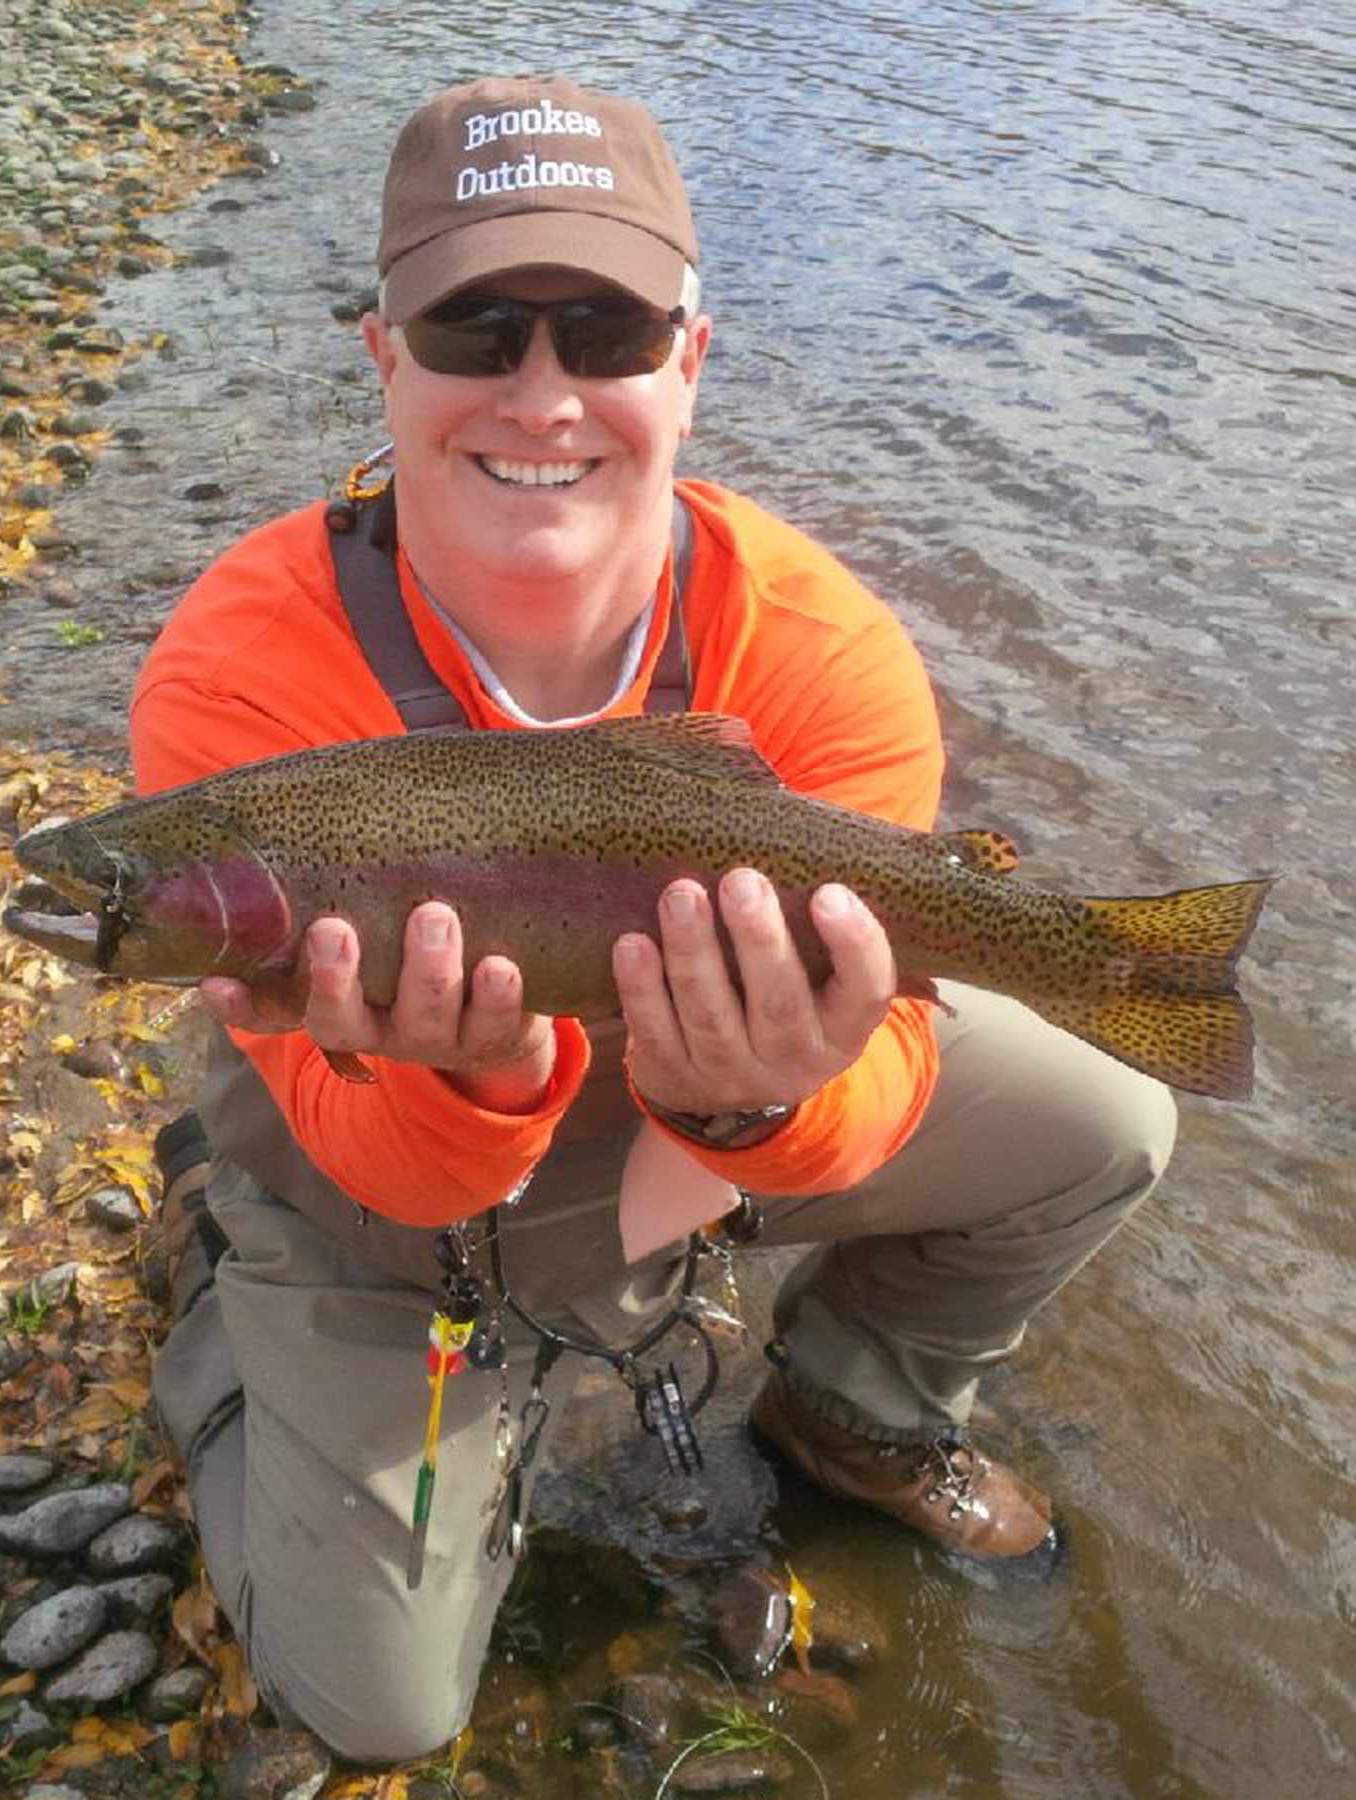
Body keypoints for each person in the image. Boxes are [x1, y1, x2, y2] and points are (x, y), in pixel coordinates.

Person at [132, 74, 1177, 1763]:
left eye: (605, 329)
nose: (541, 389)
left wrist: (764, 1095)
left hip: (690, 1116)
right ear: (384, 355)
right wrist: (455, 1085)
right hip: (376, 1162)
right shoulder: (243, 667)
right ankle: (219, 1286)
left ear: (688, 362)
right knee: (375, 1712)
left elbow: (872, 1077)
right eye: (475, 325)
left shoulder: (819, 649)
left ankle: (858, 1412)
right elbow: (383, 1152)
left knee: (1115, 1111)